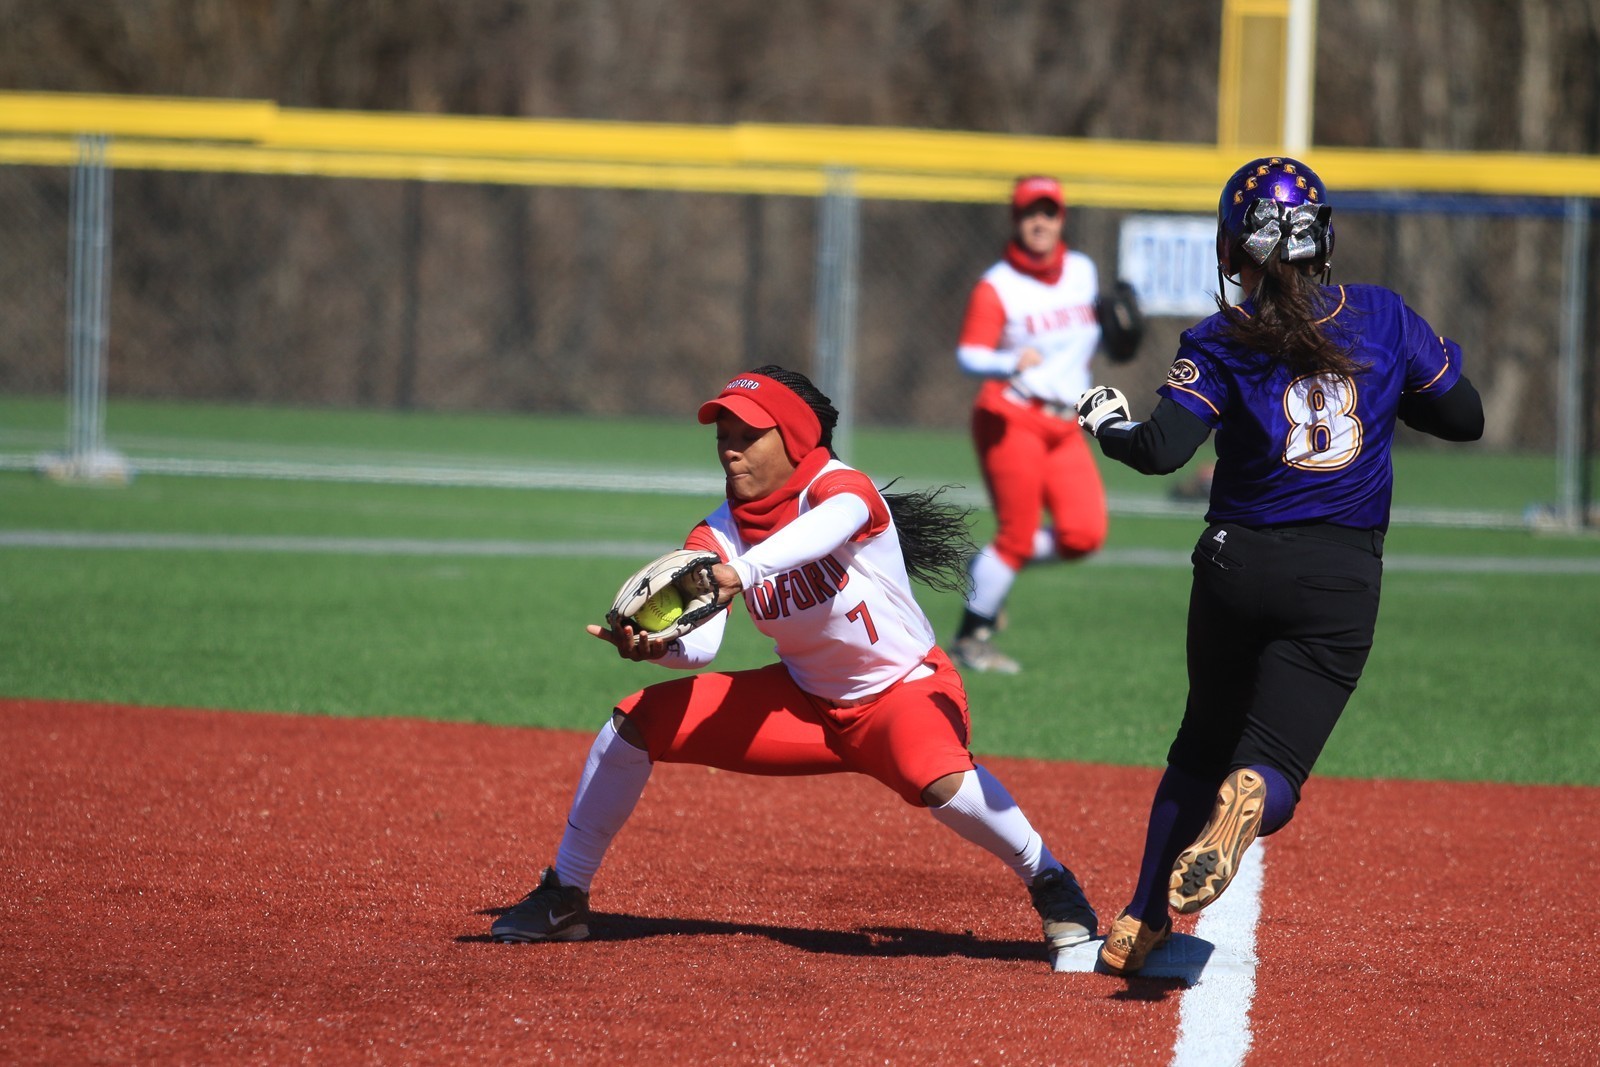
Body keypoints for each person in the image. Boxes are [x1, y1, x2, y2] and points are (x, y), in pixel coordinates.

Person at [491, 365, 1099, 954]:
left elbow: (834, 522)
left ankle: (1051, 883)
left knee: (939, 780)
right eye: (723, 437)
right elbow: (701, 645)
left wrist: (743, 570)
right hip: (804, 705)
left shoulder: (839, 488)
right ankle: (565, 895)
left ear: (796, 437)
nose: (730, 451)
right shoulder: (719, 531)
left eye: (749, 436)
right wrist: (658, 646)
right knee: (633, 724)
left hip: (902, 694)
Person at [1074, 157, 1484, 975]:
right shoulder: (1382, 316)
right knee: (1272, 762)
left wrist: (1106, 424)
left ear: (1238, 250)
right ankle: (1253, 797)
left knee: (1199, 745)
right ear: (1321, 240)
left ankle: (1138, 919)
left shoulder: (1223, 337)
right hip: (1338, 578)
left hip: (1236, 562)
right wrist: (1394, 385)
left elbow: (1161, 452)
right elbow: (1465, 416)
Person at [950, 175, 1111, 674]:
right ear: (1016, 220)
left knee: (1083, 535)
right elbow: (968, 353)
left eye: (1049, 211)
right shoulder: (998, 285)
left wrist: (1122, 335)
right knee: (1017, 534)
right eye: (1029, 212)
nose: (1039, 221)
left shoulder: (1082, 271)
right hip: (1011, 415)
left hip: (1066, 422)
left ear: (1062, 218)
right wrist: (1007, 361)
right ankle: (971, 638)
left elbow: (1090, 339)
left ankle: (992, 568)